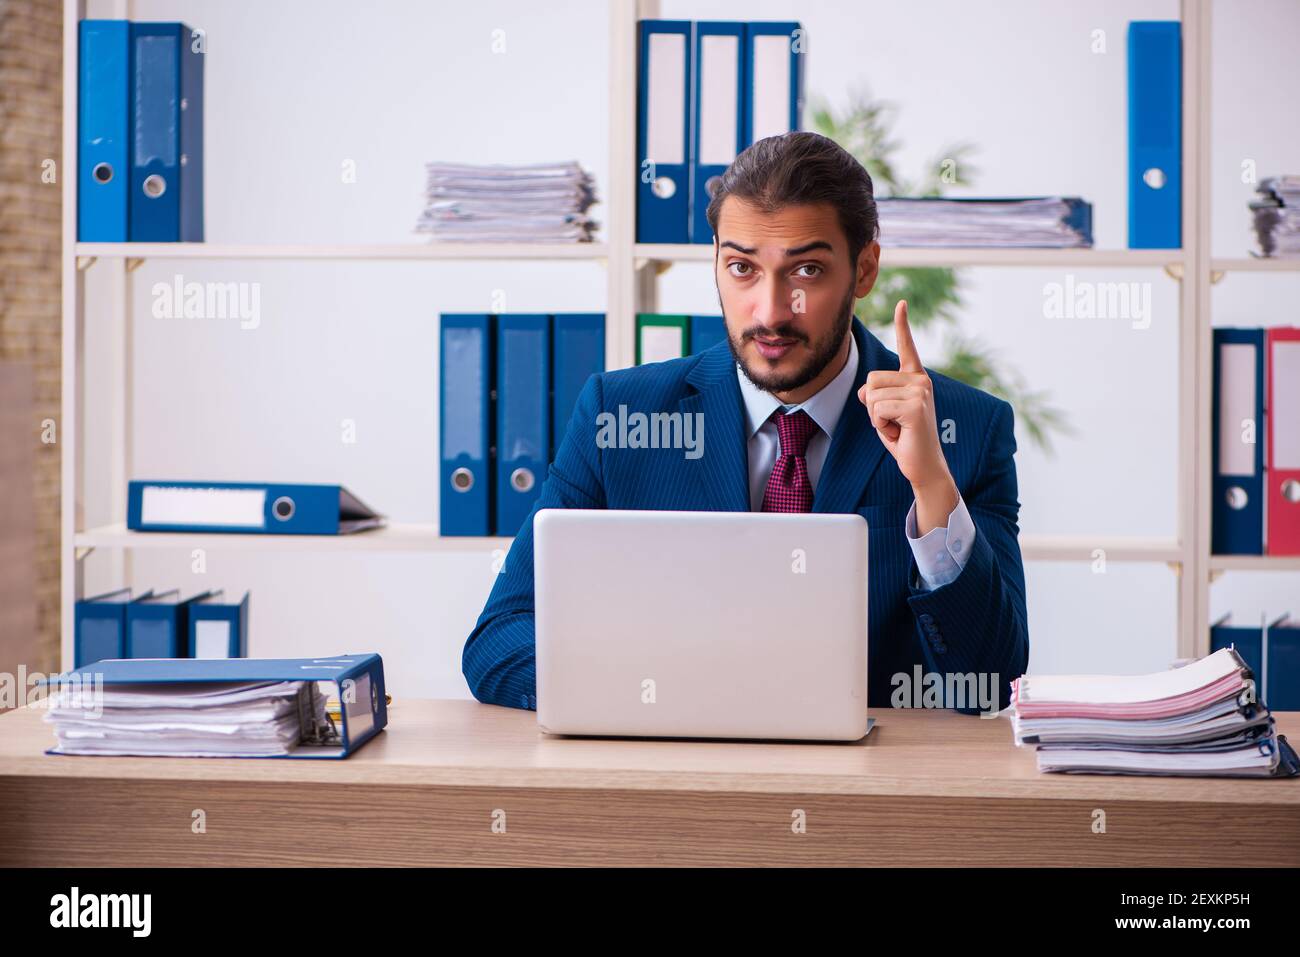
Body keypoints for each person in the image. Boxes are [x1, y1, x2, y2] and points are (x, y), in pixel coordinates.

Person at [463, 131, 1028, 715]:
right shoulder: (621, 416)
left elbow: (987, 680)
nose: (771, 311)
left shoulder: (965, 428)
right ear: (715, 264)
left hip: (868, 793)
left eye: (806, 270)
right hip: (673, 783)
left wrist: (931, 485)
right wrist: (673, 693)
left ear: (864, 270)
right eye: (742, 268)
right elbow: (498, 643)